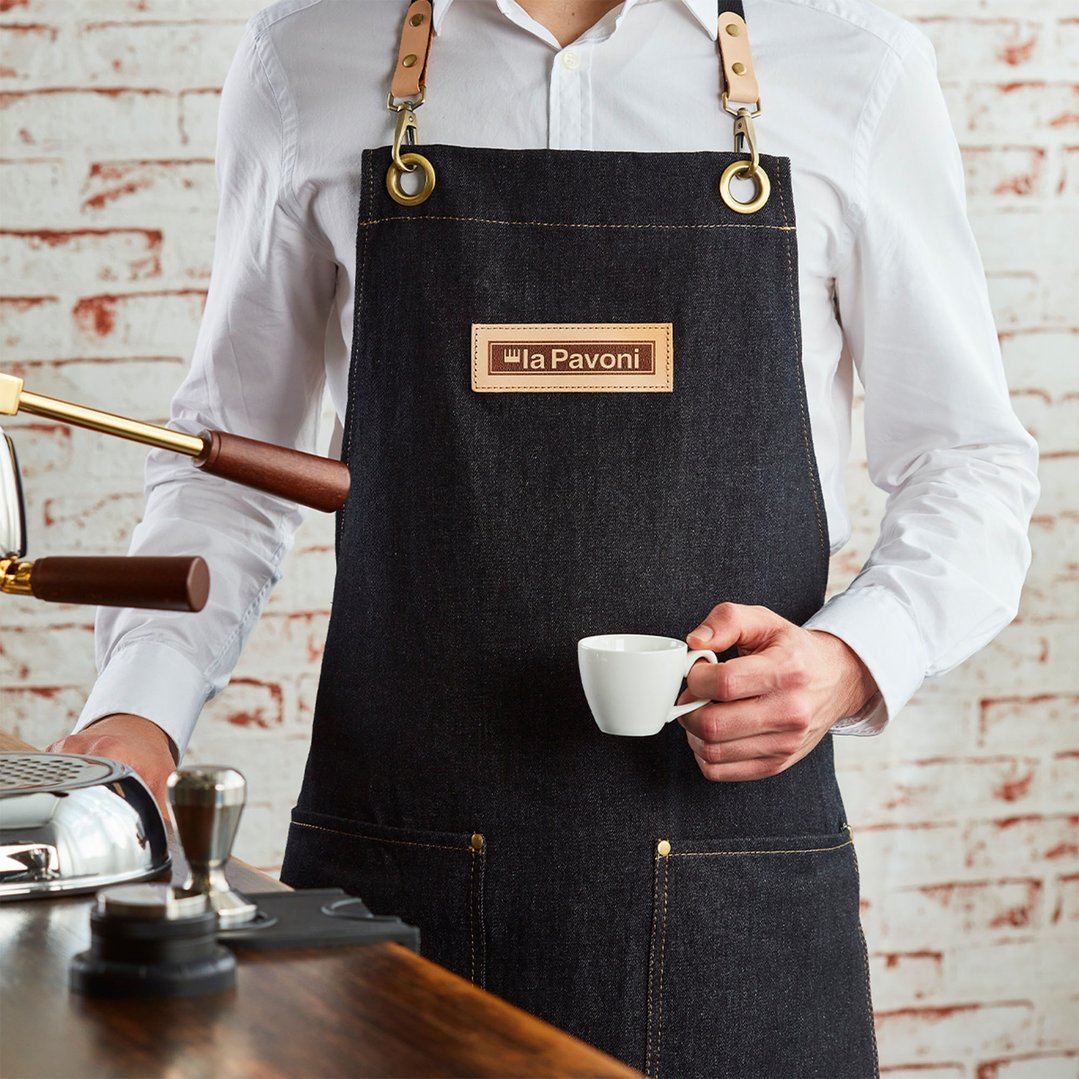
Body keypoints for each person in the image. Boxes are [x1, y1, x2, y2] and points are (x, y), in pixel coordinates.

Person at [49, 0, 1039, 1075]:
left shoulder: (853, 66)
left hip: (733, 899)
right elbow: (230, 469)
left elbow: (965, 466)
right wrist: (137, 714)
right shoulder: (308, 53)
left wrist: (852, 659)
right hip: (394, 886)